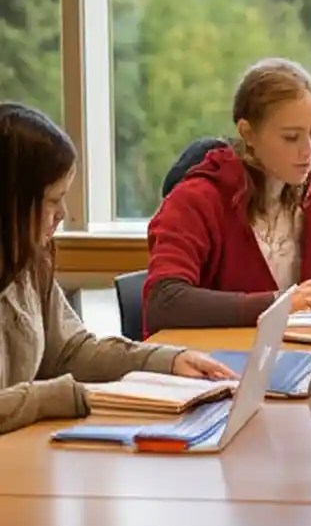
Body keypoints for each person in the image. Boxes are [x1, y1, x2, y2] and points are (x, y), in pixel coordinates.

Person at [0, 103, 235, 435]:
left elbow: (71, 352)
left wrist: (166, 361)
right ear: (11, 202)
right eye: (54, 200)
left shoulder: (29, 263)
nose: (63, 213)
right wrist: (57, 397)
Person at [143, 58, 311, 337]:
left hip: (286, 363)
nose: (308, 150)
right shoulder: (197, 200)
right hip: (208, 370)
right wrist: (277, 304)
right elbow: (163, 303)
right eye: (290, 137)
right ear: (248, 133)